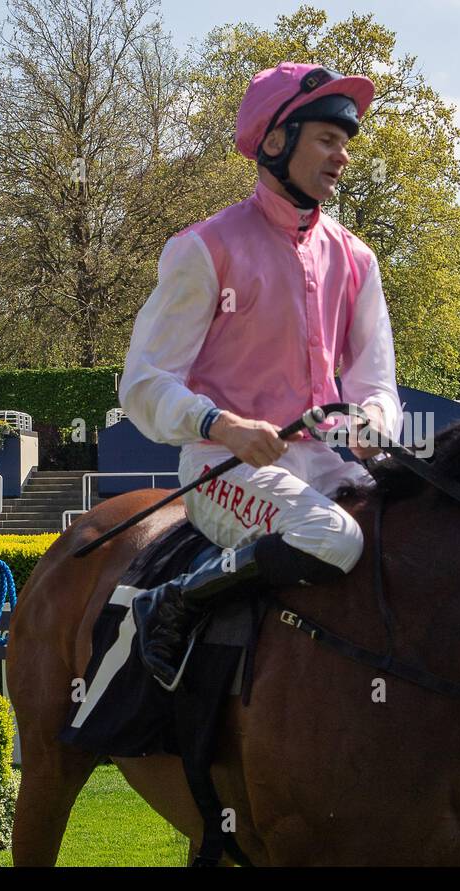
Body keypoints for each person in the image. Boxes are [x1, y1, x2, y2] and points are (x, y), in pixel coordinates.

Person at [119, 63, 403, 690]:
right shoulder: (203, 248)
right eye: (327, 140)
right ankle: (173, 601)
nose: (342, 156)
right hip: (222, 469)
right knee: (333, 539)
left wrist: (374, 420)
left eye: (346, 143)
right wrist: (221, 423)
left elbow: (374, 380)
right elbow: (141, 383)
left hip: (330, 465)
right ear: (276, 141)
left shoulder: (356, 258)